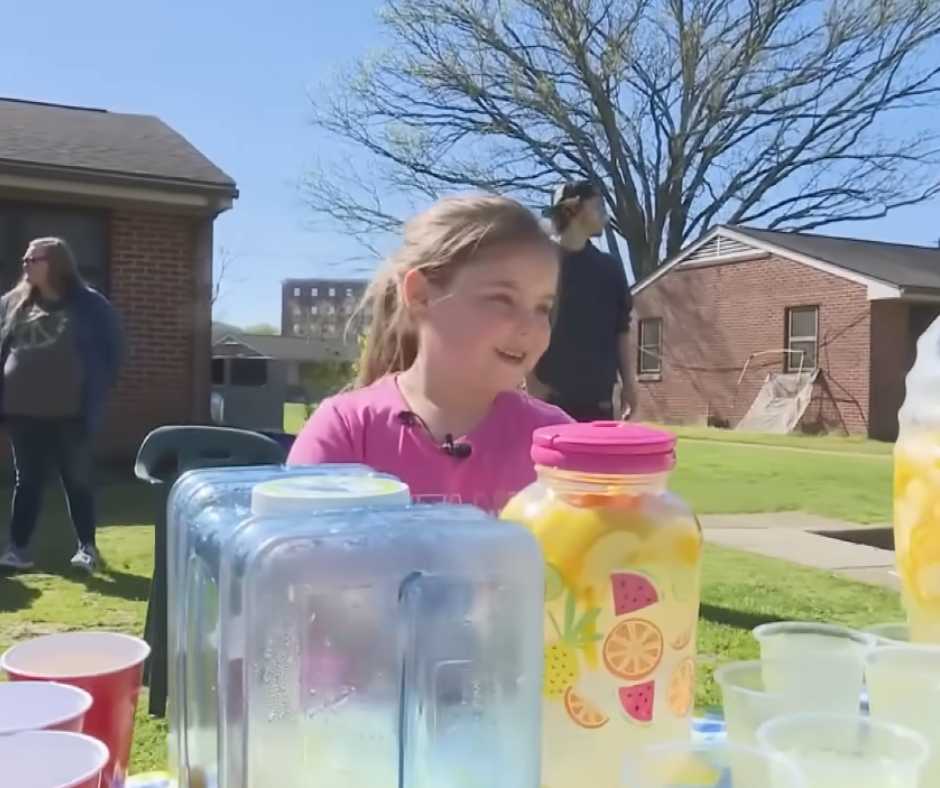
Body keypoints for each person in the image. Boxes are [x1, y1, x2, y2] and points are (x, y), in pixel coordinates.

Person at [287, 195, 571, 512]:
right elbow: (297, 549)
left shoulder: (560, 447)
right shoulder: (347, 431)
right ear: (421, 296)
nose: (528, 326)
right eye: (502, 299)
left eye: (542, 307)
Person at [0, 237, 123, 573]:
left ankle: (87, 549)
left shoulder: (90, 306)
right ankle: (18, 550)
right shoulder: (12, 304)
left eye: (32, 259)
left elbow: (113, 352)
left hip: (70, 415)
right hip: (23, 414)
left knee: (77, 480)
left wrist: (94, 389)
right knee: (27, 482)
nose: (25, 265)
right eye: (24, 260)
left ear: (55, 263)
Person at [528, 180, 637, 422]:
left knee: (594, 461)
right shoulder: (540, 264)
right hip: (549, 400)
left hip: (598, 401)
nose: (604, 214)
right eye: (597, 206)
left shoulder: (610, 269)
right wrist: (531, 382)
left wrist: (629, 383)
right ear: (571, 210)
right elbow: (523, 323)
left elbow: (621, 330)